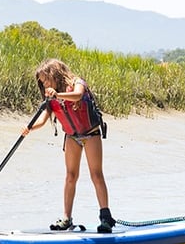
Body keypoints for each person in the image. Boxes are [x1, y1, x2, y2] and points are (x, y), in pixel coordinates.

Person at [20, 58, 117, 233]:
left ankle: (105, 217)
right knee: (70, 176)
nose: (45, 84)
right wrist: (29, 128)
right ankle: (66, 218)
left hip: (90, 134)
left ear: (55, 74)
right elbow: (42, 120)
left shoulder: (77, 83)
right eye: (42, 82)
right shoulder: (50, 97)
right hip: (72, 137)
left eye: (46, 79)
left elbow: (78, 95)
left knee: (96, 174)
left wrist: (58, 95)